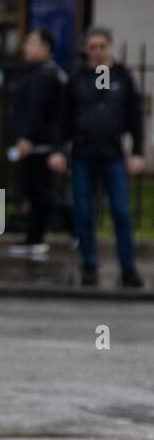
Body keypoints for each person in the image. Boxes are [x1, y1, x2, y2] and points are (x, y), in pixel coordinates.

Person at [48, 25, 146, 288]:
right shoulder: (77, 77)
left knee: (122, 212)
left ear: (110, 46)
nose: (98, 52)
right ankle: (89, 264)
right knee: (84, 212)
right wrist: (59, 149)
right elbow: (64, 117)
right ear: (86, 49)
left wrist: (137, 151)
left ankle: (128, 267)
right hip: (83, 153)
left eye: (102, 46)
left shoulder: (122, 76)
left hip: (112, 153)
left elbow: (135, 117)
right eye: (93, 47)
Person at [8, 28, 67, 260]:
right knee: (35, 191)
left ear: (46, 48)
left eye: (31, 43)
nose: (26, 47)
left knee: (40, 192)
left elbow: (36, 110)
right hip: (40, 142)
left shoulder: (45, 76)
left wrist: (26, 137)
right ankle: (35, 236)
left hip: (39, 144)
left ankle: (45, 235)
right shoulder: (42, 73)